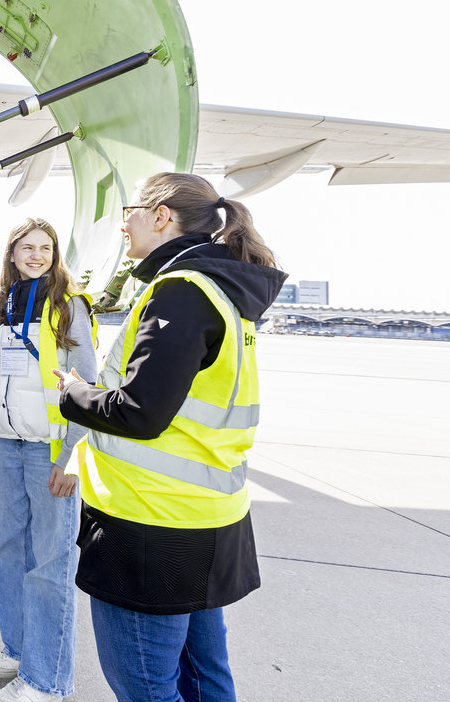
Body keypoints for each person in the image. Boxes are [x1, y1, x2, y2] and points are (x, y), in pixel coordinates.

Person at [54, 173, 287, 702]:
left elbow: (140, 412)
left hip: (152, 527)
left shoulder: (181, 292)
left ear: (161, 216)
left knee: (146, 687)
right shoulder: (221, 291)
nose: (122, 222)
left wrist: (74, 392)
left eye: (130, 209)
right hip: (205, 519)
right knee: (205, 678)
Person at [0, 218, 97, 702]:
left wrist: (69, 459)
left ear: (55, 255)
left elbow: (86, 385)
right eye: (28, 248)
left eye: (45, 248)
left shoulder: (68, 308)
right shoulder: (4, 307)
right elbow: (7, 375)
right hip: (10, 445)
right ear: (13, 254)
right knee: (8, 549)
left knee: (50, 564)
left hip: (50, 451)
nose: (37, 255)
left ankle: (48, 680)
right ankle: (20, 651)